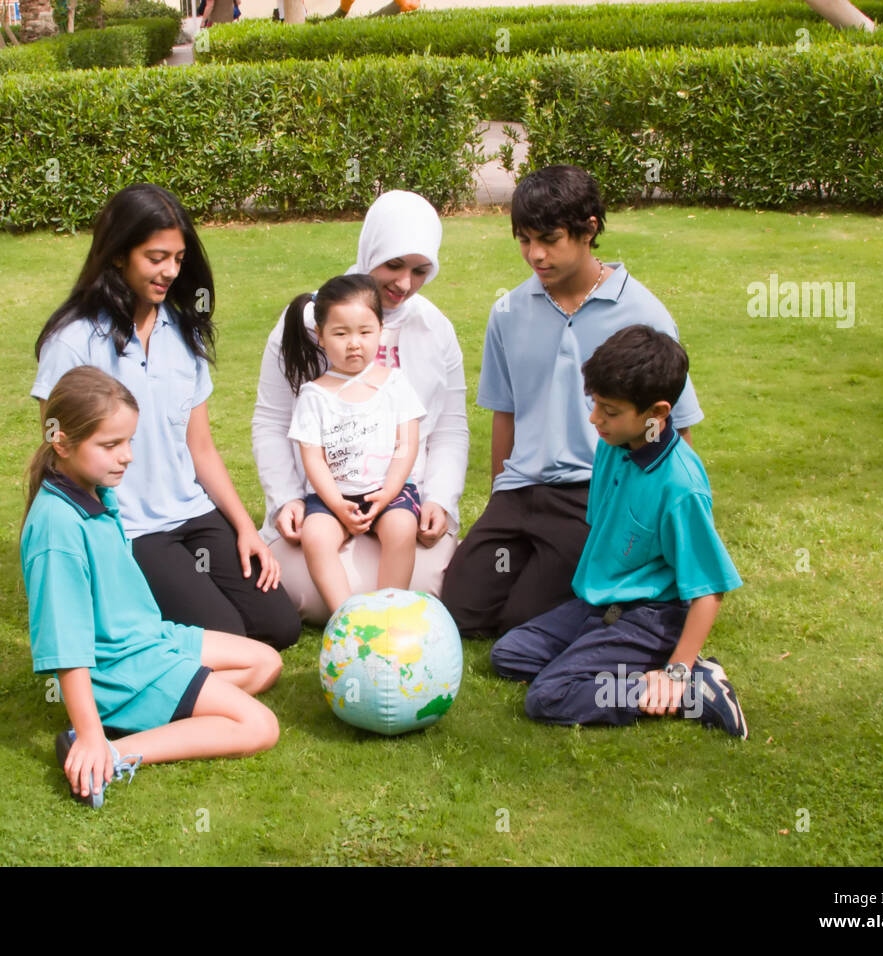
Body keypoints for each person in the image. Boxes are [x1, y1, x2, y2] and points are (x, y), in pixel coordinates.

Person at [33, 184, 300, 651]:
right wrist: (93, 552)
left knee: (279, 626)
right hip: (130, 527)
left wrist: (244, 528)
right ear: (118, 255)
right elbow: (59, 446)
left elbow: (200, 448)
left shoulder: (183, 333)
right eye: (156, 257)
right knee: (228, 635)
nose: (171, 272)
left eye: (177, 258)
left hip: (192, 512)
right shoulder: (73, 342)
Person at [440, 165, 703, 639]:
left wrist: (647, 522)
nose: (535, 255)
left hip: (592, 494)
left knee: (522, 622)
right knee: (461, 611)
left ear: (589, 229)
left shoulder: (644, 314)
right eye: (523, 240)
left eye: (549, 239)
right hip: (519, 491)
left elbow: (675, 426)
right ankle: (533, 562)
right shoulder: (508, 312)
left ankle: (605, 591)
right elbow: (506, 412)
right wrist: (500, 494)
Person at [21, 366, 282, 808]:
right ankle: (110, 752)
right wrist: (88, 732)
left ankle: (155, 719)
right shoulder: (56, 528)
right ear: (60, 441)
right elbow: (66, 643)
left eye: (128, 441)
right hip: (125, 670)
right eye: (110, 445)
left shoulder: (94, 490)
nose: (127, 456)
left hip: (150, 640)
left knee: (266, 662)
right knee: (261, 727)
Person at [490, 326, 746, 737]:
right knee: (509, 655)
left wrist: (676, 671)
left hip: (650, 616)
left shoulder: (681, 486)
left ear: (657, 413)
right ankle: (634, 667)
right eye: (595, 405)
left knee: (547, 696)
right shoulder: (616, 445)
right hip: (600, 604)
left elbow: (708, 590)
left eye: (609, 411)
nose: (595, 419)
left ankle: (690, 688)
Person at [253, 190, 468, 623]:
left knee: (442, 582)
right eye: (393, 265)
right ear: (369, 249)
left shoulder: (434, 328)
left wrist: (440, 500)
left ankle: (380, 612)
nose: (404, 283)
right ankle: (350, 620)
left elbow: (449, 429)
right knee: (298, 591)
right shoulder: (307, 321)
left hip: (401, 503)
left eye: (420, 270)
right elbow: (272, 421)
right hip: (321, 503)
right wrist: (285, 500)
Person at [282, 274, 427, 614]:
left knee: (402, 527)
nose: (354, 343)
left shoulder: (394, 383)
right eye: (340, 333)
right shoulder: (315, 394)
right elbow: (313, 458)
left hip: (387, 491)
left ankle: (390, 611)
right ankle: (346, 617)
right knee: (315, 536)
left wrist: (390, 491)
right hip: (334, 496)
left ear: (381, 330)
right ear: (320, 336)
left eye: (365, 332)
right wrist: (335, 504)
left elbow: (407, 443)